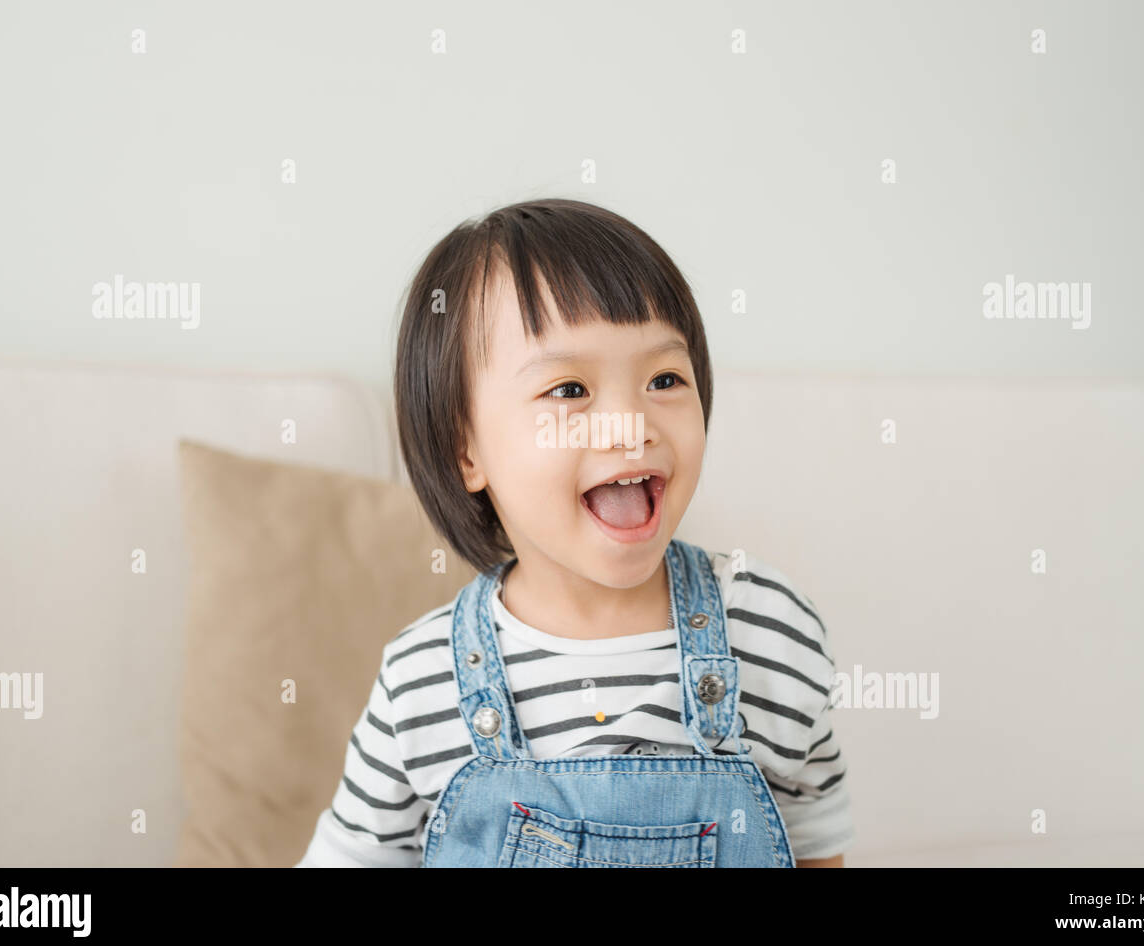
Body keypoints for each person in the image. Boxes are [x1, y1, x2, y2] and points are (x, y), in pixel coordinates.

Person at [296, 198, 854, 867]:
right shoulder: (422, 681)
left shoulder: (767, 629)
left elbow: (817, 836)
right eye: (568, 391)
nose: (629, 423)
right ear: (466, 450)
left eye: (664, 378)